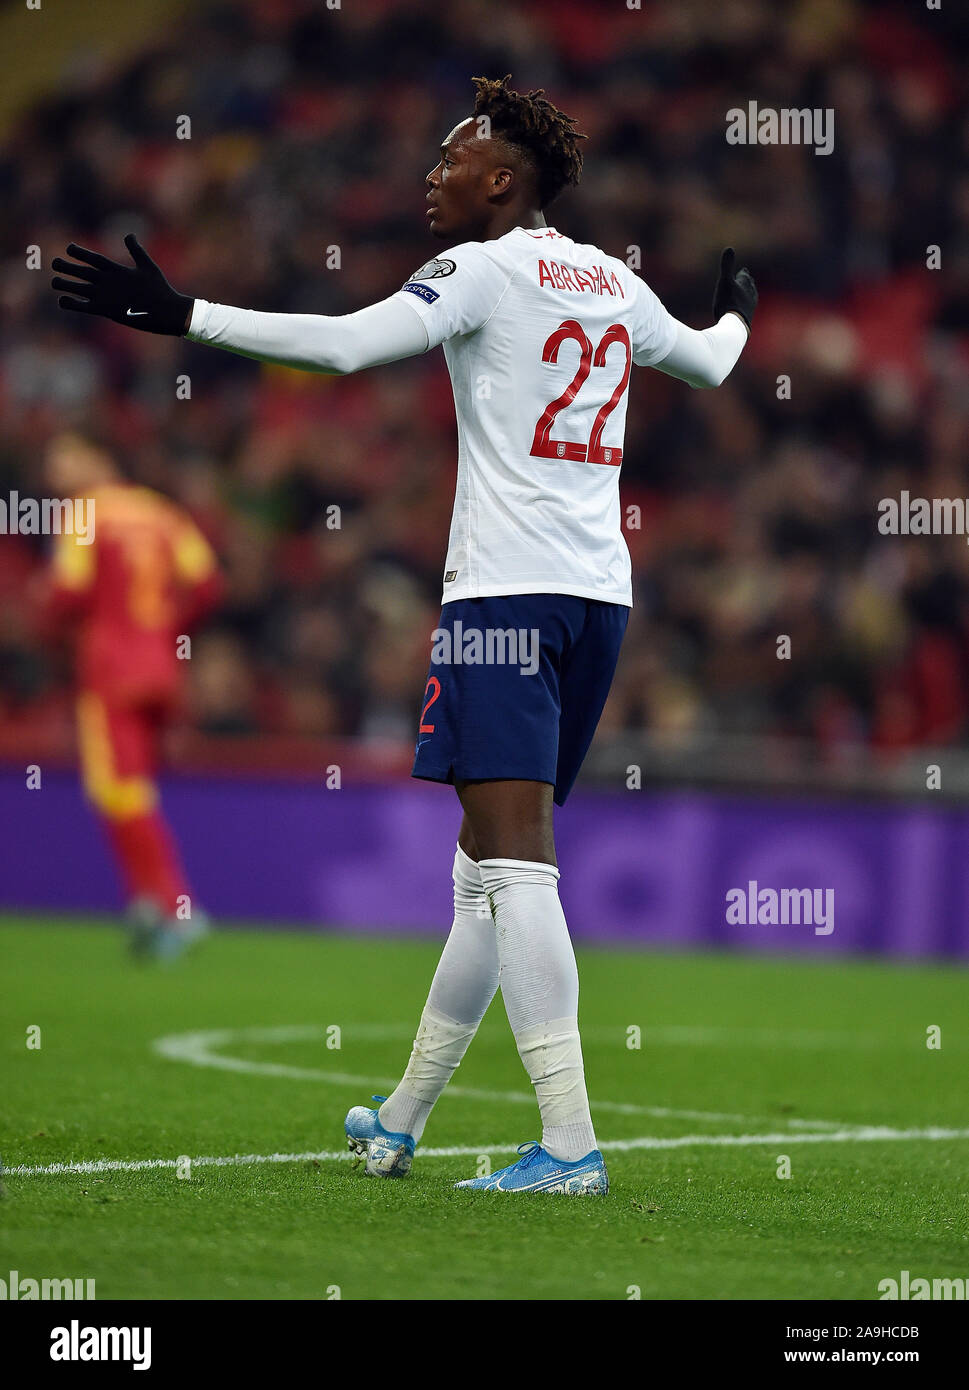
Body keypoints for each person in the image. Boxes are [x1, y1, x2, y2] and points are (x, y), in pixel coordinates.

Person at [51, 75, 756, 1191]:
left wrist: (187, 316)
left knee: (514, 861)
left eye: (452, 158)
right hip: (597, 600)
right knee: (482, 869)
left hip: (503, 599)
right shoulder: (615, 281)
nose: (433, 176)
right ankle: (399, 1119)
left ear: (503, 178)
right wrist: (739, 311)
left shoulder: (481, 270)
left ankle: (569, 1141)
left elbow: (342, 347)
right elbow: (713, 361)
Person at [43, 429, 222, 961]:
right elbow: (208, 583)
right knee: (133, 787)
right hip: (160, 670)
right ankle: (147, 907)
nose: (55, 471)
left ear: (98, 457)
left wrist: (44, 616)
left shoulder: (83, 512)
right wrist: (164, 628)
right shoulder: (161, 511)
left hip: (110, 672)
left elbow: (67, 593)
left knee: (119, 791)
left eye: (65, 458)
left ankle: (175, 907)